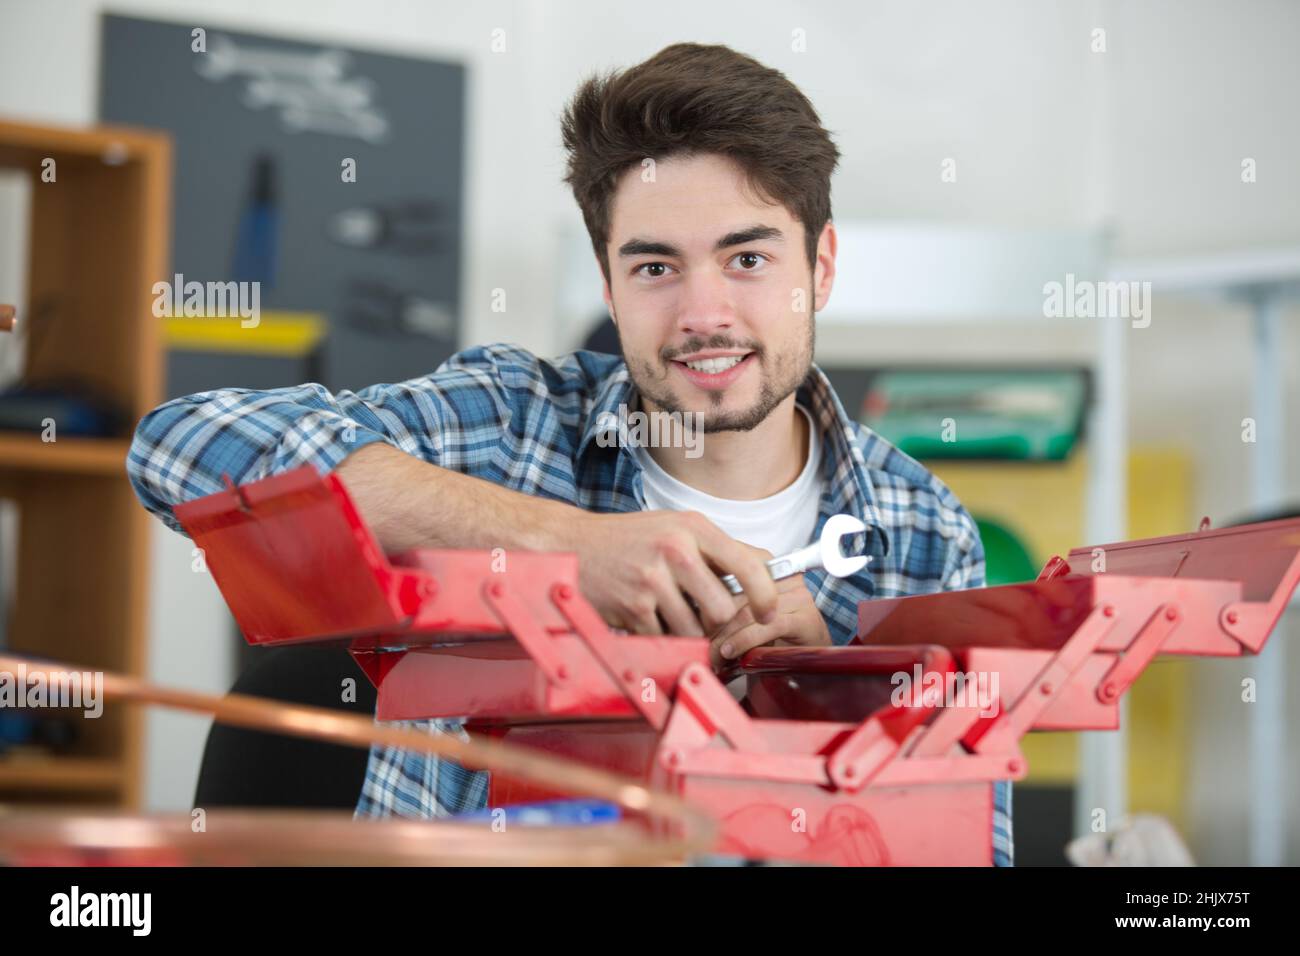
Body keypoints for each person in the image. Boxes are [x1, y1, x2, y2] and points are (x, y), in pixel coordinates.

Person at [127, 42, 1010, 865]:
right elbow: (180, 447)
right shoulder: (513, 423)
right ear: (609, 284)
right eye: (656, 268)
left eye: (747, 258)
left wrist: (832, 707)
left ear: (819, 267)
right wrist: (556, 544)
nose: (704, 314)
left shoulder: (924, 532)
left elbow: (973, 849)